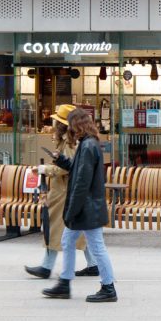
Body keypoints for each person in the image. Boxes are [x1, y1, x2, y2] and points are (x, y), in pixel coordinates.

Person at [40, 107, 117, 303]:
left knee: (97, 247)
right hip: (88, 208)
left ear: (77, 126)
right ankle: (64, 283)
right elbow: (77, 169)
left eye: (71, 127)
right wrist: (63, 160)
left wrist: (71, 210)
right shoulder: (88, 144)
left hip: (86, 209)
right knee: (68, 242)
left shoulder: (88, 146)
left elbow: (82, 182)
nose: (69, 131)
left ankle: (108, 287)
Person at [24, 104, 98, 281]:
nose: (54, 124)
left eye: (56, 121)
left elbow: (68, 168)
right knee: (78, 230)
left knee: (53, 228)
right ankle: (93, 264)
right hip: (65, 190)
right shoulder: (68, 140)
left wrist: (44, 169)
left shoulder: (69, 142)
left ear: (62, 124)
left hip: (63, 191)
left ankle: (46, 267)